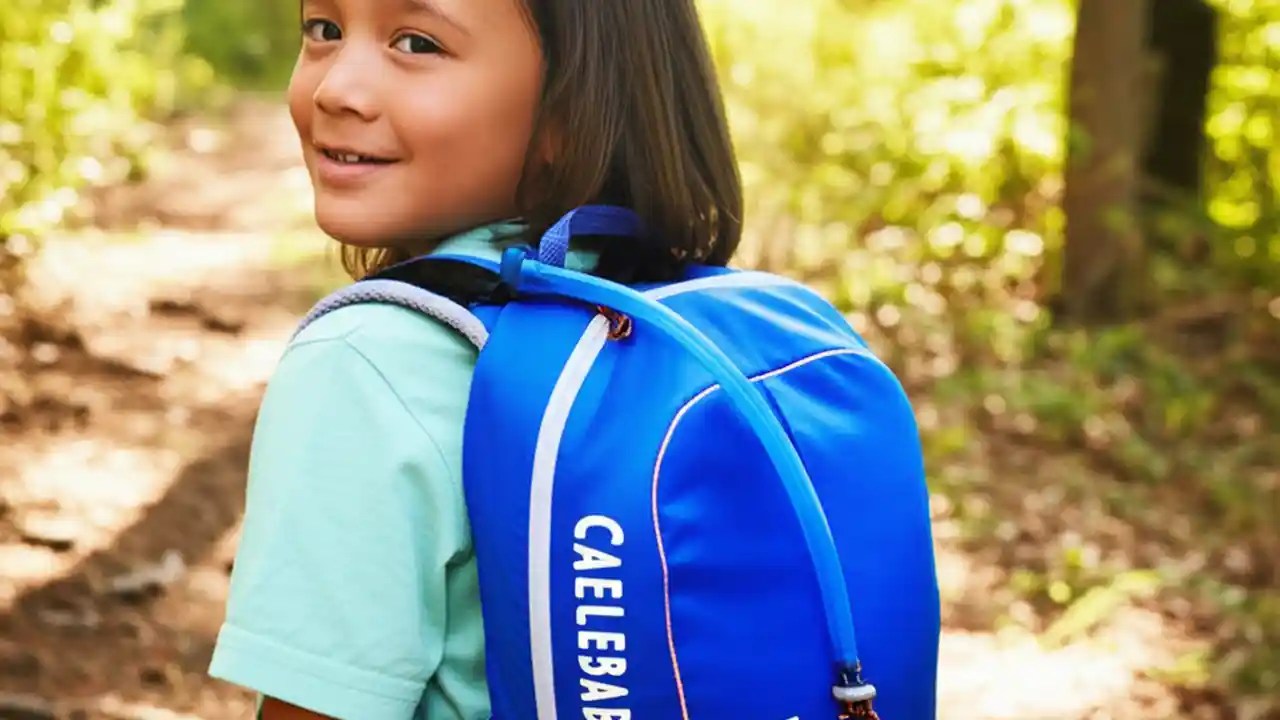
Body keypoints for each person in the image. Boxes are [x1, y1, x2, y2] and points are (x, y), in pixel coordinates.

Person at [207, 0, 742, 717]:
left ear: (568, 112)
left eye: (416, 42)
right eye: (323, 29)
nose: (335, 88)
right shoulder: (691, 324)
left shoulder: (368, 363)